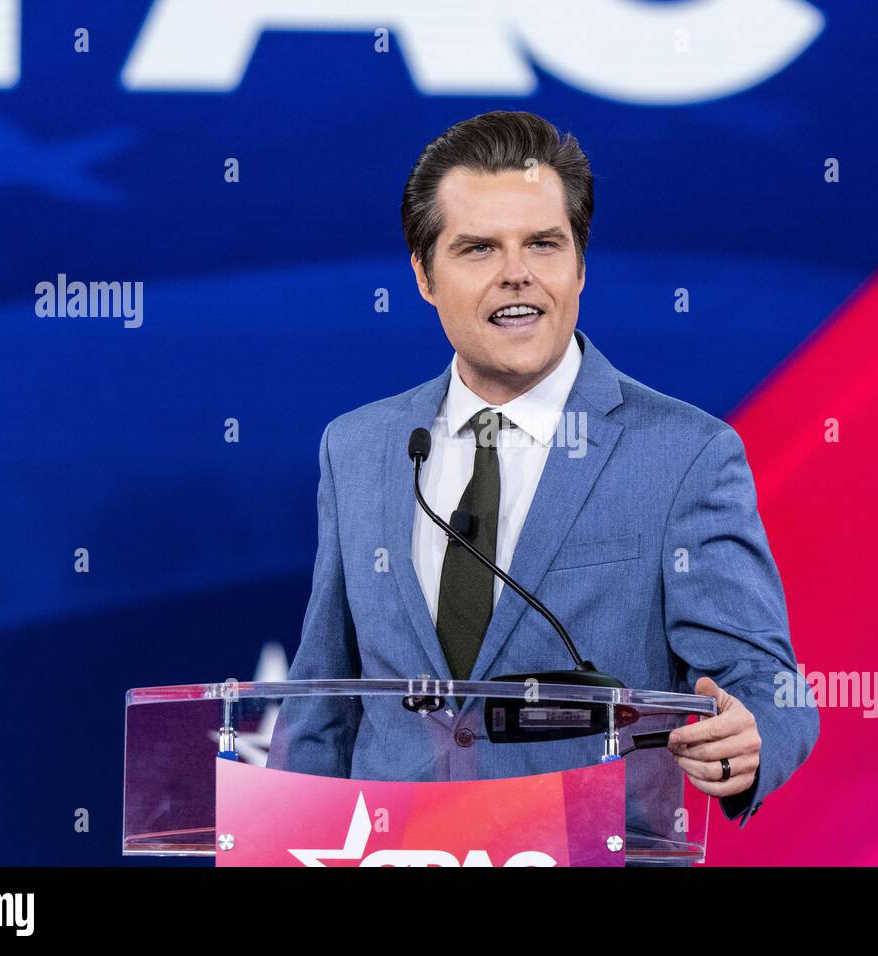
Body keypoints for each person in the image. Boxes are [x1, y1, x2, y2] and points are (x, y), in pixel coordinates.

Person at [268, 110, 818, 829]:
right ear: (424, 275)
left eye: (543, 244)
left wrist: (749, 742)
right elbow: (323, 698)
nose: (516, 273)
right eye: (477, 249)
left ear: (580, 266)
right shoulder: (359, 446)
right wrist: (280, 836)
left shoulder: (684, 455)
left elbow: (771, 685)